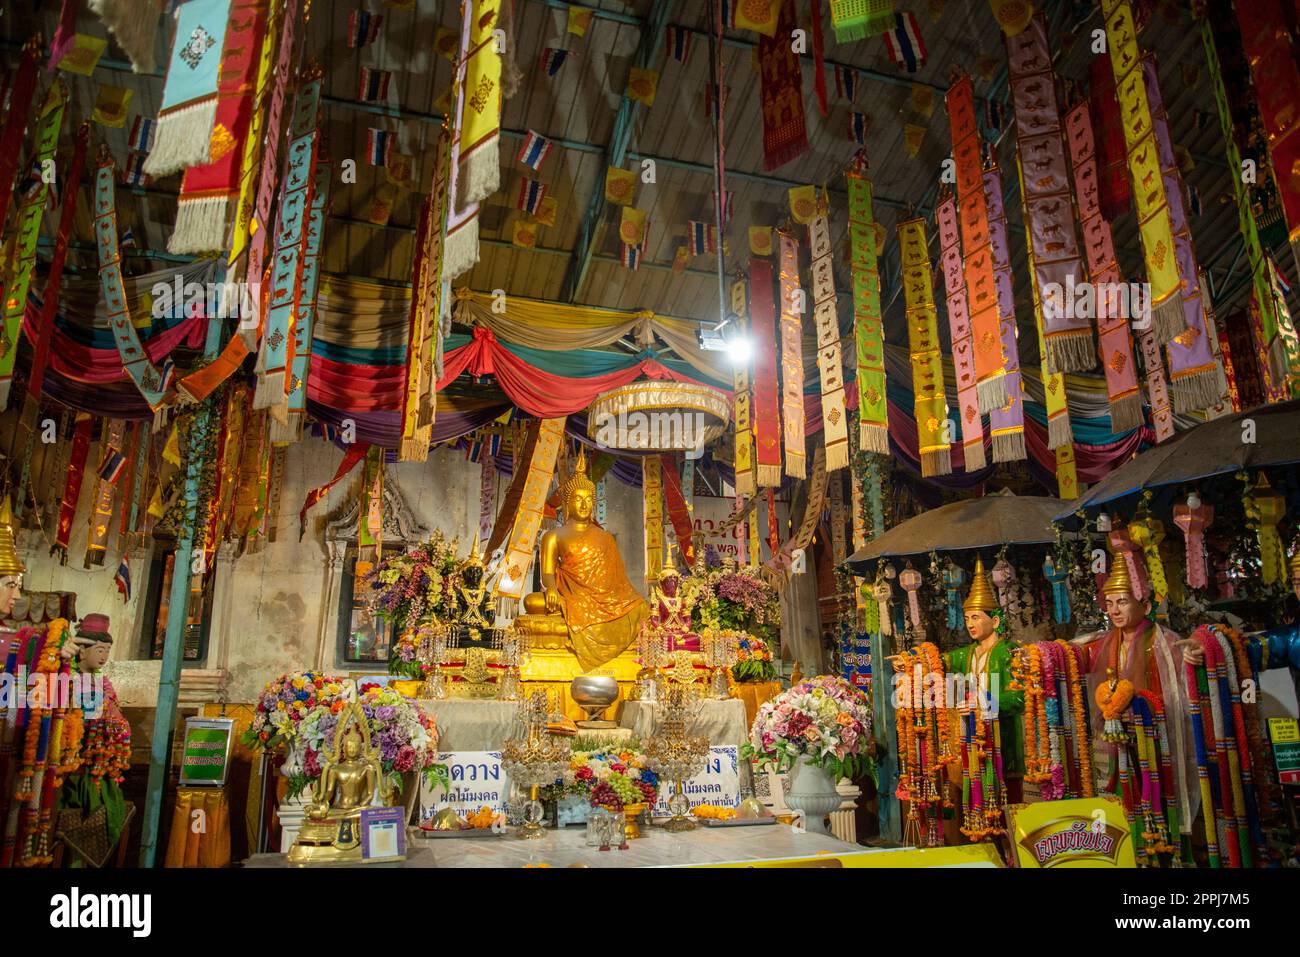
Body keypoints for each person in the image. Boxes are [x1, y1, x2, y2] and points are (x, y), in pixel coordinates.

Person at [522, 449, 648, 670]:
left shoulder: (605, 537)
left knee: (643, 608)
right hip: (571, 597)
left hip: (607, 599)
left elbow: (618, 583)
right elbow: (548, 573)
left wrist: (621, 600)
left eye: (589, 499)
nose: (584, 504)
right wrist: (551, 590)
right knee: (533, 603)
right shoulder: (553, 536)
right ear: (567, 503)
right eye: (578, 499)